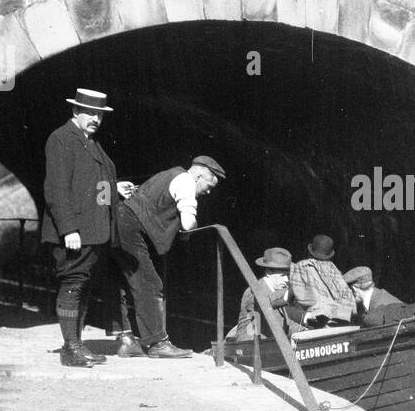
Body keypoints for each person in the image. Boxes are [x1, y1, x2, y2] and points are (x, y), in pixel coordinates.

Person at [41, 88, 138, 368]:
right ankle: (71, 349)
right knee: (73, 282)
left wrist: (113, 190)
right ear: (75, 112)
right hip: (76, 232)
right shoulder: (61, 139)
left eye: (100, 115)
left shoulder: (90, 142)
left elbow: (91, 189)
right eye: (91, 113)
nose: (96, 119)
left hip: (94, 231)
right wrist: (68, 229)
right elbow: (57, 189)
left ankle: (76, 346)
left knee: (81, 285)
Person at [114, 156, 225, 358]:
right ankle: (157, 343)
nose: (208, 191)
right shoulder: (186, 181)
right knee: (149, 283)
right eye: (208, 185)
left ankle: (127, 339)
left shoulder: (169, 174)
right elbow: (188, 221)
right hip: (130, 227)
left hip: (121, 222)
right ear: (198, 175)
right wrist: (189, 228)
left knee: (128, 282)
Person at [230, 247, 307, 341]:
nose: (287, 280)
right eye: (283, 275)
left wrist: (306, 330)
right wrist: (290, 292)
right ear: (269, 272)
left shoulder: (276, 291)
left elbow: (286, 323)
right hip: (251, 347)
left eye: (288, 275)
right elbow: (266, 302)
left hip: (271, 345)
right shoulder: (254, 291)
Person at [288, 233, 357, 327]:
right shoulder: (333, 269)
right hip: (343, 316)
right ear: (329, 255)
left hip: (318, 318)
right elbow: (346, 294)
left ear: (310, 252)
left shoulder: (301, 266)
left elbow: (299, 294)